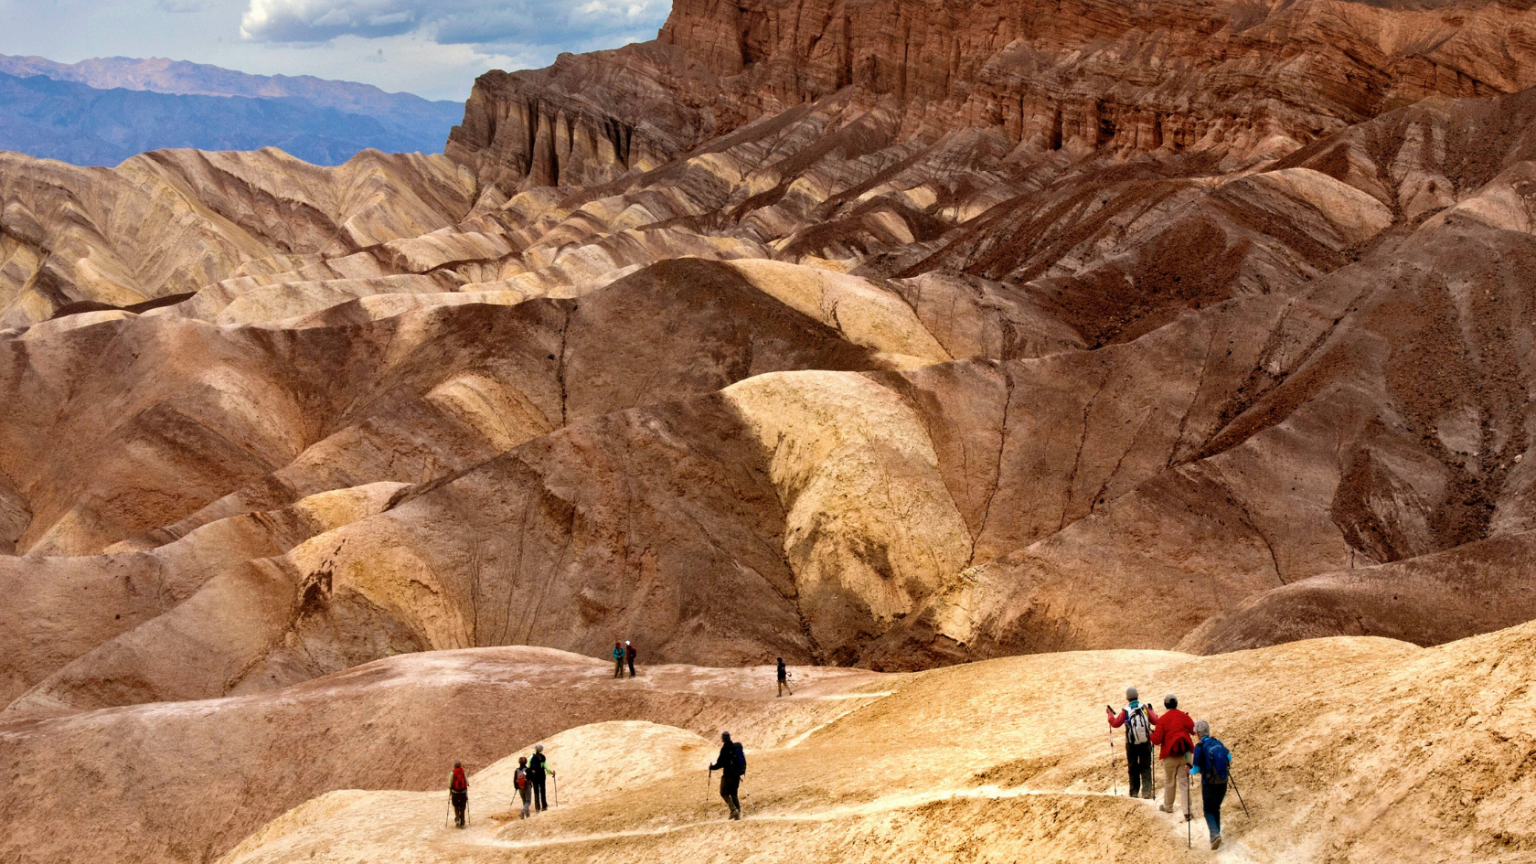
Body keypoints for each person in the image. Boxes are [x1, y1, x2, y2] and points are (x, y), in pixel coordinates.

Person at [1150, 694, 1196, 821]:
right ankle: (1187, 812)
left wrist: (1150, 734)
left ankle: (1168, 806)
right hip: (1185, 754)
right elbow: (1193, 730)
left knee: (1169, 781)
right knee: (1184, 781)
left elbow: (1156, 740)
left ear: (1165, 705)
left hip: (1169, 755)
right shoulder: (1183, 716)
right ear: (1176, 703)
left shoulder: (1163, 719)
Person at [1106, 686, 1155, 799]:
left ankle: (1134, 791)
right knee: (1146, 766)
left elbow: (1115, 723)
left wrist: (1109, 713)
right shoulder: (1144, 708)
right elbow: (1155, 720)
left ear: (1127, 698)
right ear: (1137, 696)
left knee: (1132, 767)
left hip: (1131, 743)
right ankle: (1146, 791)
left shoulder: (1125, 711)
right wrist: (1151, 711)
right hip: (1145, 741)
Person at [1190, 720, 1231, 850]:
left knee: (1208, 810)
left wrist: (1188, 771)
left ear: (1198, 733)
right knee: (1216, 808)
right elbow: (1229, 758)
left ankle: (1215, 835)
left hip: (1209, 784)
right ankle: (1216, 835)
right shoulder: (1218, 742)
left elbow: (1196, 770)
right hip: (1223, 781)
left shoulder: (1200, 747)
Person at [709, 731, 747, 820]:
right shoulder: (735, 747)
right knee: (734, 793)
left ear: (723, 739)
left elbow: (720, 763)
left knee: (723, 793)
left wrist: (712, 767)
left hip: (728, 775)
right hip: (737, 775)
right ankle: (738, 813)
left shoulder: (724, 749)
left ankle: (733, 810)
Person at [529, 743, 555, 812]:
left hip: (534, 777)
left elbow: (529, 766)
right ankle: (544, 806)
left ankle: (537, 808)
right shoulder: (543, 757)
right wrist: (551, 772)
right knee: (543, 790)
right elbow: (546, 767)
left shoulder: (531, 757)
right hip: (542, 775)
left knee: (536, 792)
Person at [448, 761, 468, 828]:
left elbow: (450, 783)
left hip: (455, 793)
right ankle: (462, 822)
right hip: (463, 792)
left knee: (456, 807)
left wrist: (450, 788)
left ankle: (457, 820)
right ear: (460, 765)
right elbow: (466, 781)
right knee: (462, 807)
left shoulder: (452, 773)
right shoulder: (463, 771)